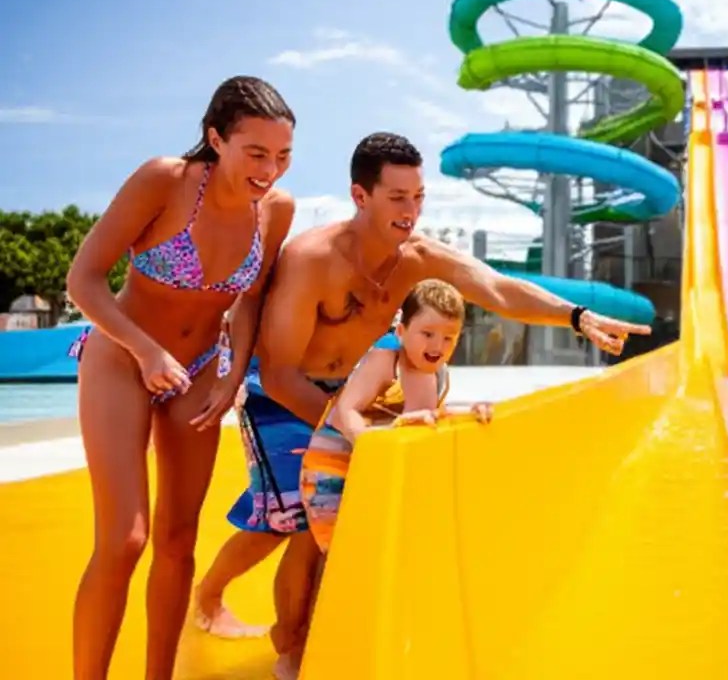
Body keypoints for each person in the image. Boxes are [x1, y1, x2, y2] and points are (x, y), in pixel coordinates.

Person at [204, 131, 649, 680]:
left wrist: (577, 316)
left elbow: (500, 289)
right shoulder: (313, 259)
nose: (411, 211)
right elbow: (277, 370)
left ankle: (297, 645)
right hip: (281, 391)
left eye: (418, 198)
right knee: (287, 526)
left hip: (350, 397)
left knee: (327, 533)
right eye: (397, 198)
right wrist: (351, 428)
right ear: (360, 196)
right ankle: (219, 600)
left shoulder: (418, 260)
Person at [64, 75, 297, 680]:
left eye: (283, 156)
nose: (270, 170)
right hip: (122, 355)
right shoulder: (165, 181)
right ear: (216, 138)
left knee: (177, 543)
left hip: (199, 371)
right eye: (256, 153)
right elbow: (83, 281)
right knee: (125, 540)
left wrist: (231, 375)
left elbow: (247, 302)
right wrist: (143, 352)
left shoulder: (277, 210)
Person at [300, 278, 492, 555]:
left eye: (448, 337)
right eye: (427, 333)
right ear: (401, 331)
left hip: (374, 472)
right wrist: (371, 444)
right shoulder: (385, 360)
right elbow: (347, 411)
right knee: (344, 553)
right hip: (333, 469)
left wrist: (470, 417)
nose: (438, 345)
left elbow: (424, 425)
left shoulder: (438, 375)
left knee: (380, 551)